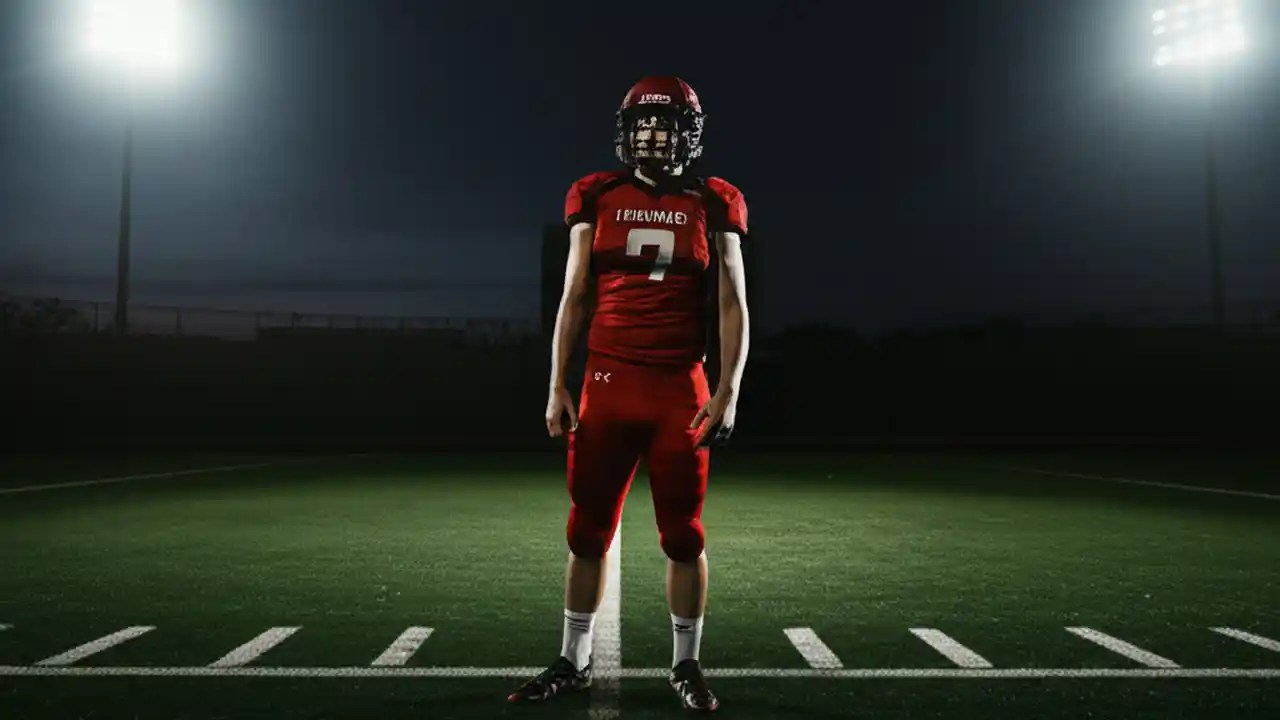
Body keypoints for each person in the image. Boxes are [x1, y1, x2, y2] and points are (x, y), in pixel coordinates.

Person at [507, 75, 750, 713]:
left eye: (664, 121)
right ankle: (572, 658)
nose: (651, 132)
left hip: (679, 385)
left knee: (683, 535)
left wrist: (729, 387)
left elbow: (732, 299)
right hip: (607, 383)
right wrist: (558, 382)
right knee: (587, 530)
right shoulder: (597, 194)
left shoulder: (714, 199)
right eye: (642, 121)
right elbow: (575, 294)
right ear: (624, 128)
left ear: (688, 132)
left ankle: (687, 664)